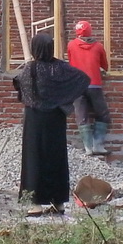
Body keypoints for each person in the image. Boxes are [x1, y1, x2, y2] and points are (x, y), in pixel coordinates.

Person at [12, 32, 91, 216]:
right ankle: (58, 203)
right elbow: (83, 79)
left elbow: (20, 86)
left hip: (35, 120)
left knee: (34, 159)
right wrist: (62, 100)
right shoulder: (61, 68)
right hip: (56, 118)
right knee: (56, 158)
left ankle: (35, 205)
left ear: (35, 48)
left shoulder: (31, 69)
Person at [66, 20, 112, 155]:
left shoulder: (71, 45)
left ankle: (88, 148)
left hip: (77, 85)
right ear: (90, 31)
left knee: (82, 115)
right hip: (94, 84)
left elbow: (70, 62)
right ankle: (98, 145)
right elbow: (105, 66)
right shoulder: (98, 46)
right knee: (102, 114)